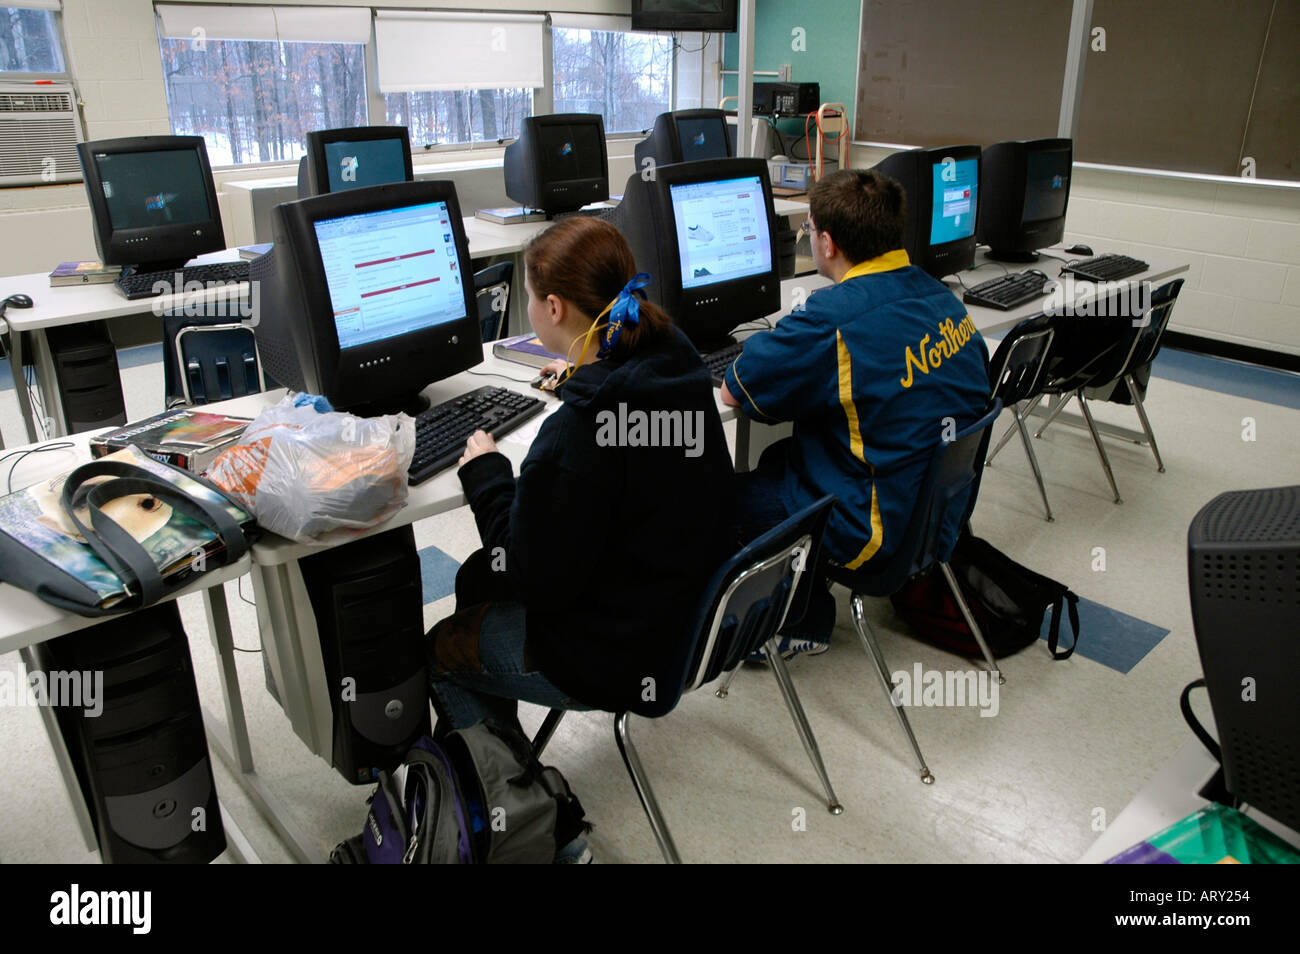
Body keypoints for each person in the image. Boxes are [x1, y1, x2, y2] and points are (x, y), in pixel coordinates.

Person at [426, 216, 735, 741]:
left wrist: (487, 474)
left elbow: (528, 573)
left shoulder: (577, 431)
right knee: (478, 574)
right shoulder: (673, 359)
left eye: (528, 297)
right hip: (692, 615)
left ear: (553, 308)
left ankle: (514, 796)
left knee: (438, 649)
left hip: (619, 655)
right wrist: (582, 374)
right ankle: (503, 772)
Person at [720, 168, 991, 655]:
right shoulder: (941, 298)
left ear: (826, 242)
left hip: (874, 530)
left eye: (808, 231)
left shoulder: (834, 318)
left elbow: (737, 391)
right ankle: (804, 608)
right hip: (935, 515)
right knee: (781, 458)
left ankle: (781, 622)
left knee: (711, 502)